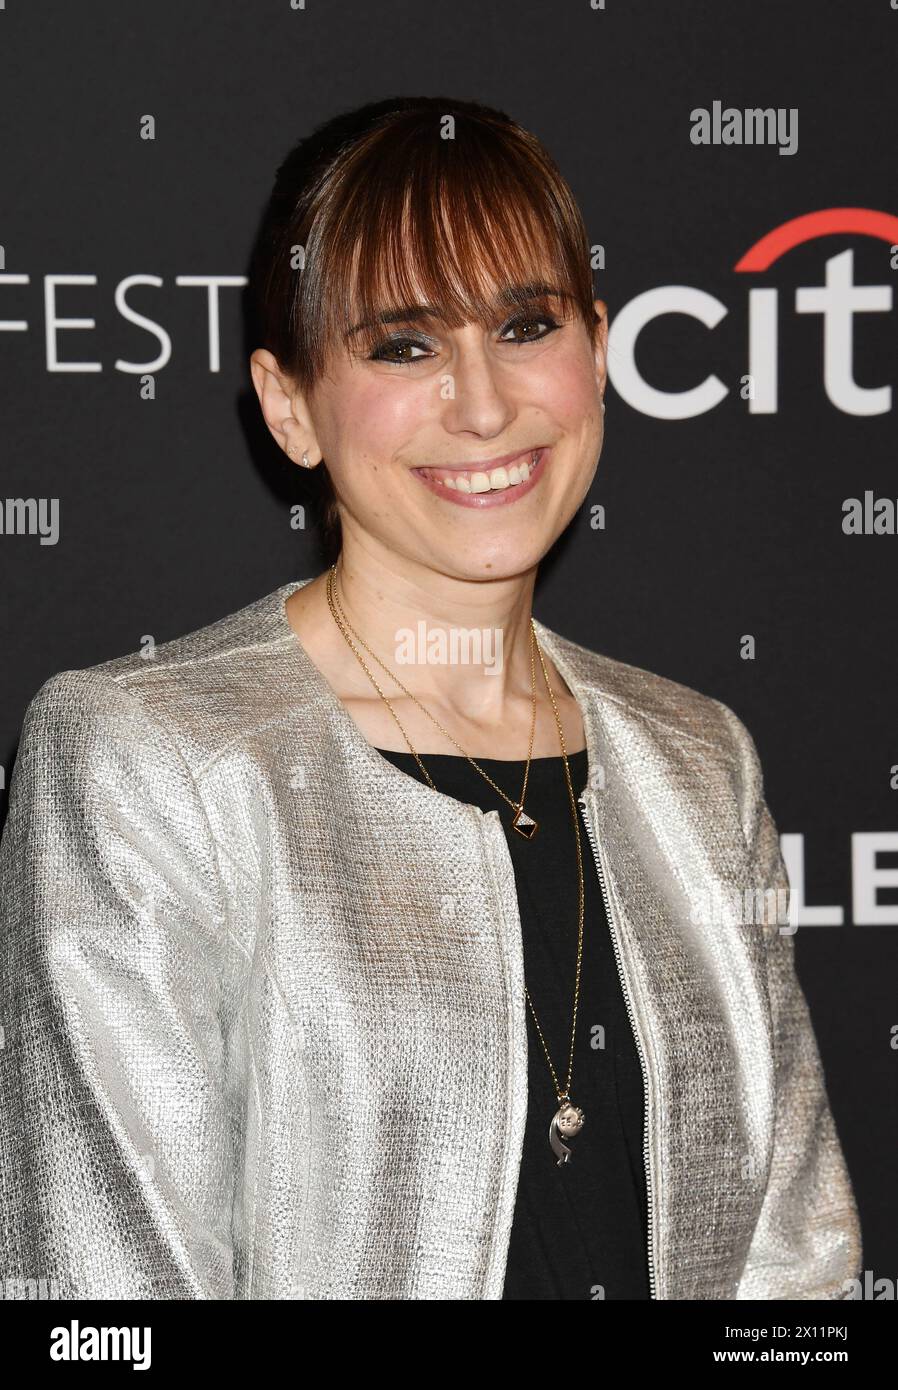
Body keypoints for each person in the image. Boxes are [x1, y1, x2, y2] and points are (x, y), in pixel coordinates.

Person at [0, 96, 861, 1300]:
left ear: (597, 347)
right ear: (290, 404)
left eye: (525, 325)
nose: (484, 402)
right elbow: (101, 1305)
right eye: (403, 345)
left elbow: (796, 1270)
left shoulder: (697, 759)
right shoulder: (152, 758)